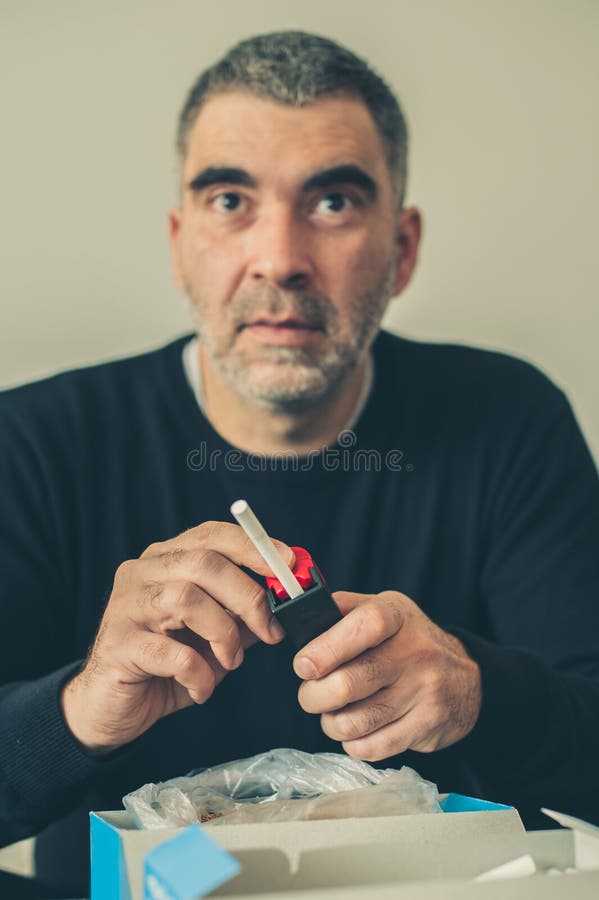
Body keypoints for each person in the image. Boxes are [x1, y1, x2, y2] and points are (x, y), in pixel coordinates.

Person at [1, 30, 598, 898]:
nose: (278, 259)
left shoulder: (509, 421)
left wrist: (476, 693)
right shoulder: (35, 442)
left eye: (332, 203)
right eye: (230, 200)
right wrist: (79, 710)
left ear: (402, 246)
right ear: (179, 242)